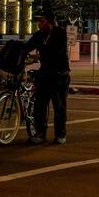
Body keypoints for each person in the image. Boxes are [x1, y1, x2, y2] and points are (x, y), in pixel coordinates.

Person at [24, 10, 70, 145]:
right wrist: (17, 51)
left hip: (59, 75)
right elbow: (27, 46)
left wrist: (39, 54)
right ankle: (40, 133)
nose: (39, 24)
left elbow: (56, 53)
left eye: (42, 21)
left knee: (59, 106)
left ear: (50, 22)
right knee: (40, 105)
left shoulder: (60, 34)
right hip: (45, 75)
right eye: (38, 21)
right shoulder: (39, 35)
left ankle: (60, 134)